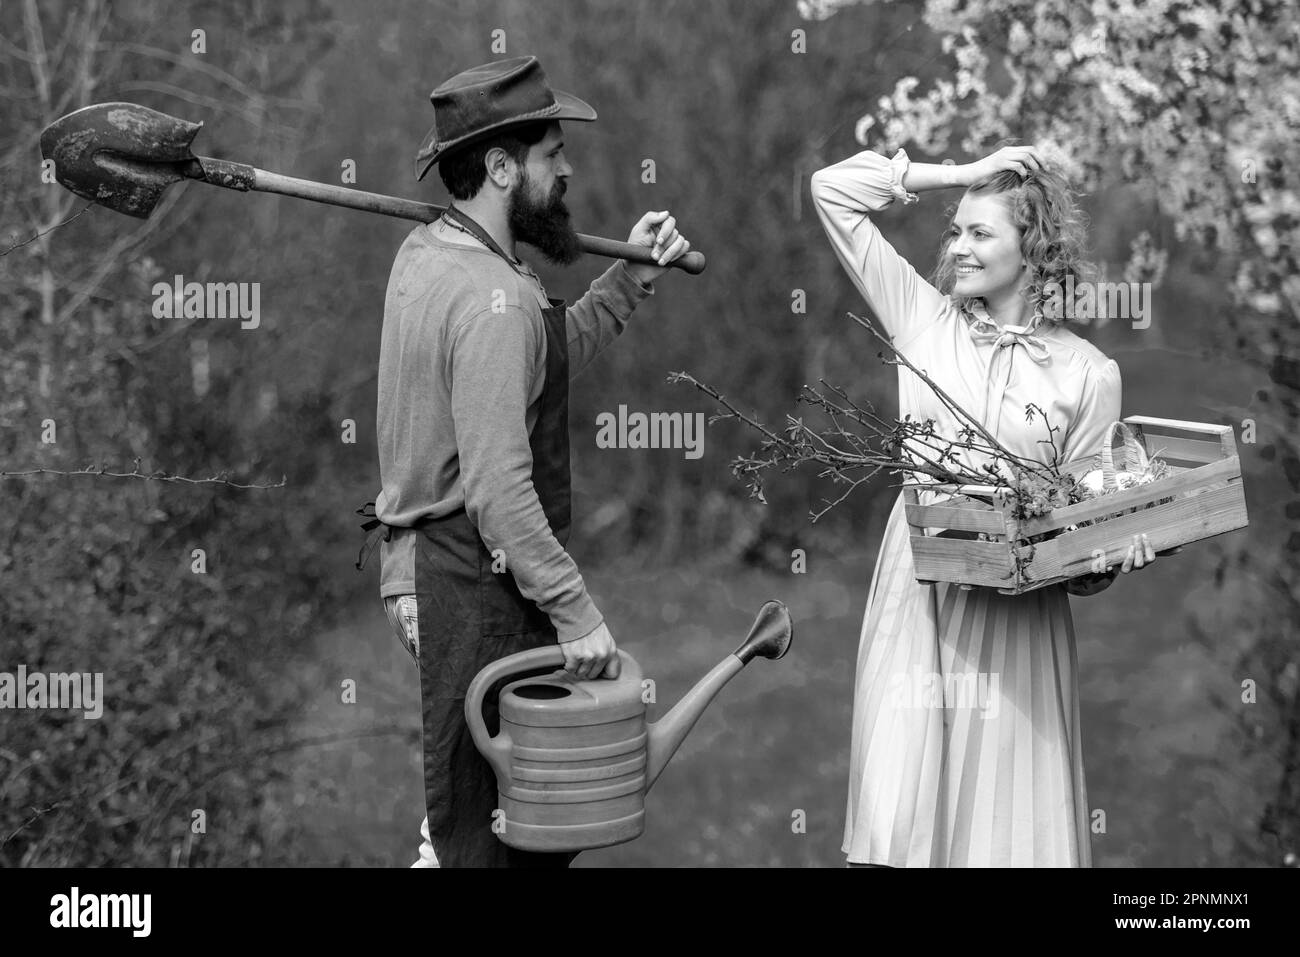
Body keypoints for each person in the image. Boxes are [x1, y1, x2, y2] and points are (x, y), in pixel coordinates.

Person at [357, 56, 691, 868]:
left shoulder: (432, 254)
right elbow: (500, 490)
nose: (568, 168)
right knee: (493, 843)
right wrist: (579, 613)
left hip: (433, 576)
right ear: (500, 166)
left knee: (472, 823)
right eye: (551, 152)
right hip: (467, 583)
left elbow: (536, 363)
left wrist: (626, 282)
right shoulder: (489, 300)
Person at [810, 142, 1170, 867]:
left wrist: (1109, 560)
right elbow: (831, 189)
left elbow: (1083, 526)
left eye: (981, 231)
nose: (960, 247)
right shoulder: (923, 322)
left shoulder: (1089, 374)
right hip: (921, 599)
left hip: (1019, 625)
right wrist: (957, 174)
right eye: (957, 230)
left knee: (1003, 832)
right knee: (898, 819)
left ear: (1032, 247)